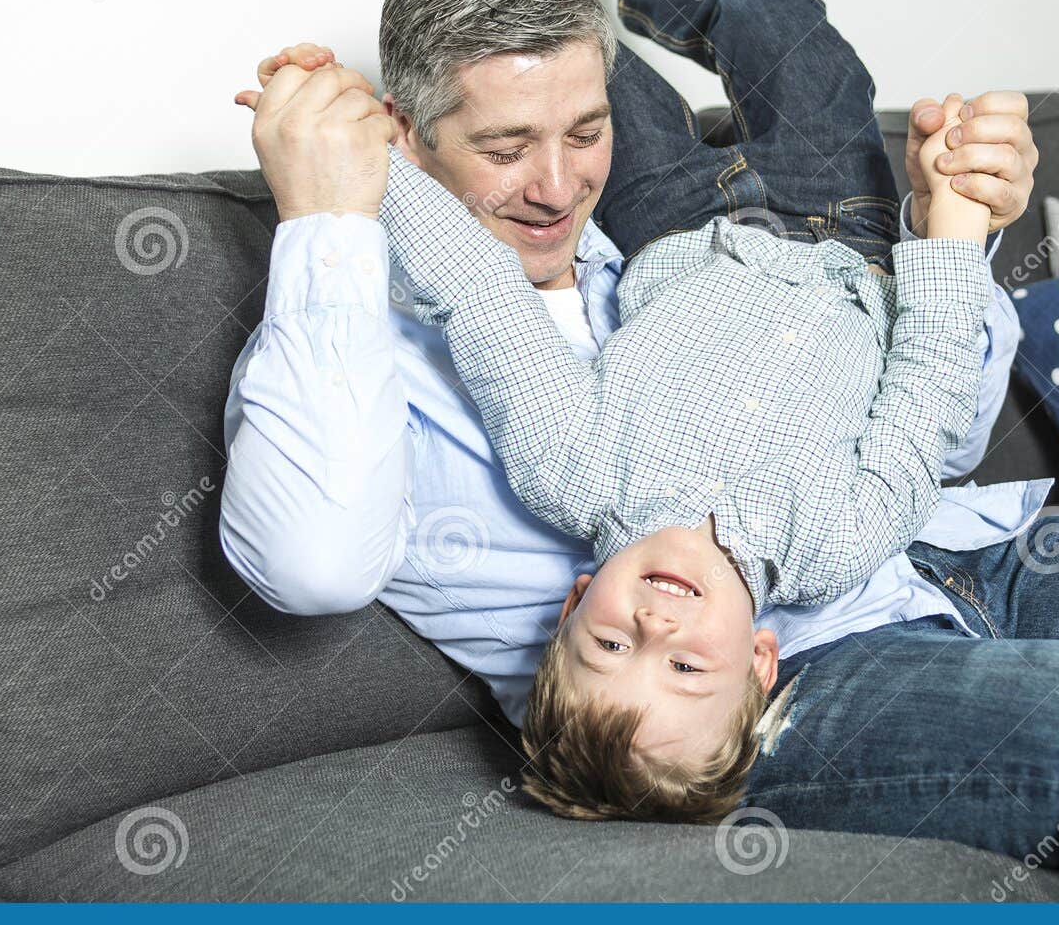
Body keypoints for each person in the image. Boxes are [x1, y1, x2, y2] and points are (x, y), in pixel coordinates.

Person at [221, 0, 1059, 901]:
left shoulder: (629, 237)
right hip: (754, 701)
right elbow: (315, 559)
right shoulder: (350, 330)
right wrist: (332, 215)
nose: (559, 184)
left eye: (584, 133)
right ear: (406, 144)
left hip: (952, 556)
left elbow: (930, 421)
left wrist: (958, 231)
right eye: (503, 148)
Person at [364, 71, 988, 817]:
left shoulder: (573, 469)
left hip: (690, 227)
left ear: (574, 605)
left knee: (595, 65)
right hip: (867, 249)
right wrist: (954, 225)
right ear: (760, 662)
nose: (654, 626)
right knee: (813, 63)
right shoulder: (837, 544)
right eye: (686, 664)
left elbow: (480, 297)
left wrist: (368, 152)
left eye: (613, 647)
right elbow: (932, 392)